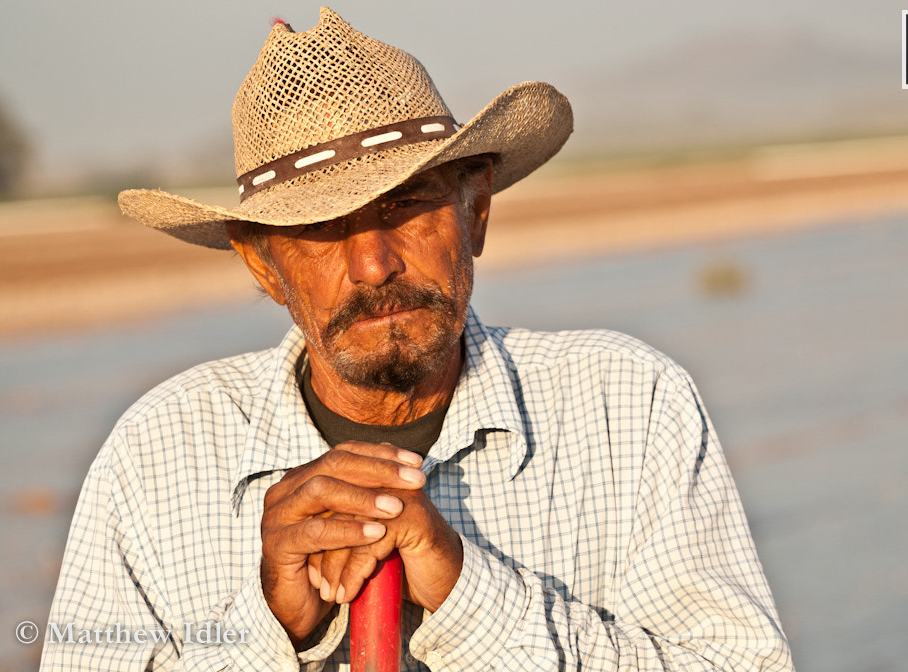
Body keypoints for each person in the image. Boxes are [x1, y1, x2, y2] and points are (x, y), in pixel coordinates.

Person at [42, 8, 794, 671]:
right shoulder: (159, 454)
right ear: (264, 266)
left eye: (406, 207)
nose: (372, 265)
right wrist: (268, 628)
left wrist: (471, 593)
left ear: (478, 212)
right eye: (320, 231)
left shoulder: (628, 406)